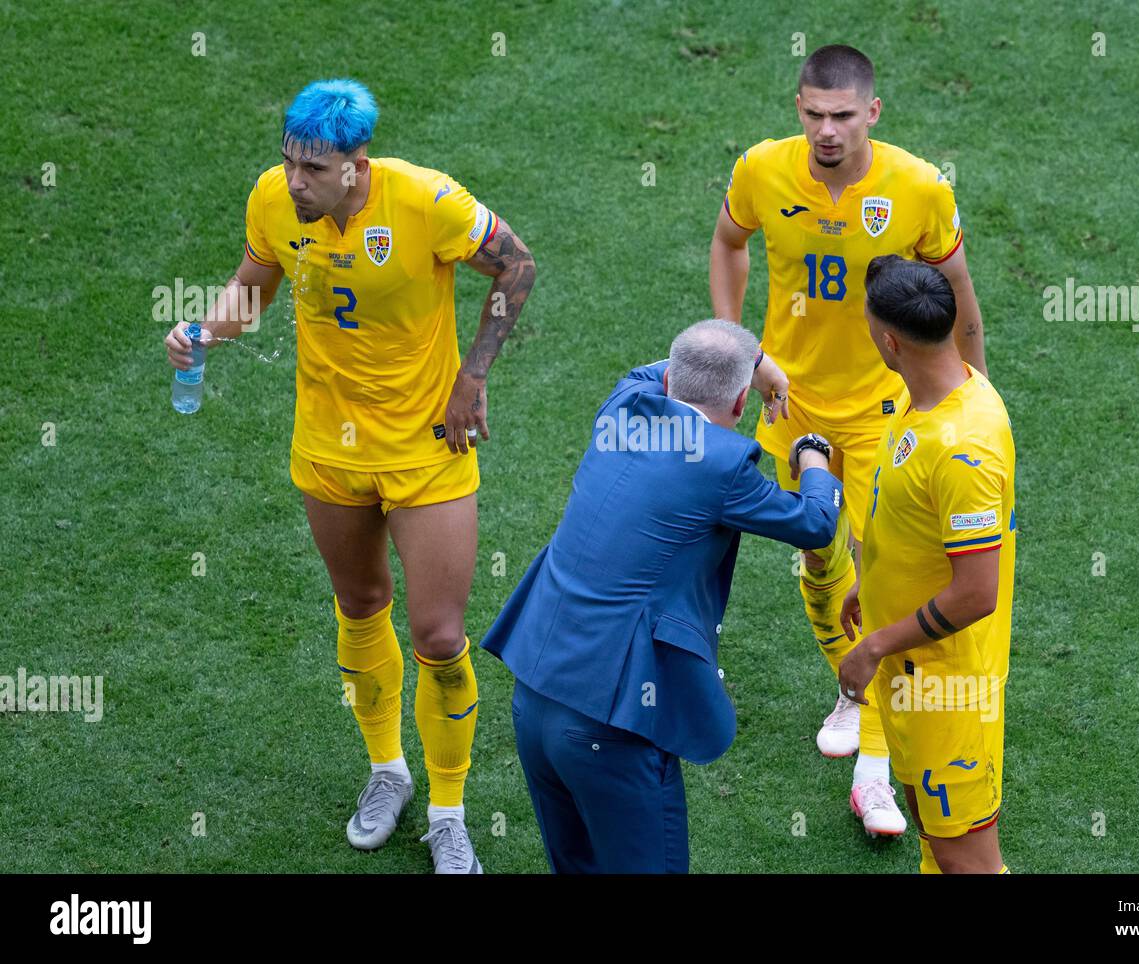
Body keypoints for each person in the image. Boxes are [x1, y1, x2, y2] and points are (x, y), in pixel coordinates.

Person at [163, 78, 536, 873]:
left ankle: (447, 809)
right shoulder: (273, 200)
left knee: (438, 636)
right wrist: (203, 329)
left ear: (357, 168)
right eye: (289, 163)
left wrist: (472, 379)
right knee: (360, 603)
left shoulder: (430, 203)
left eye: (313, 170)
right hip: (328, 450)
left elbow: (518, 269)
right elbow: (251, 293)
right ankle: (386, 771)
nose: (294, 182)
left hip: (426, 447)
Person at [709, 43, 987, 838]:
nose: (825, 131)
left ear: (872, 112)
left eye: (841, 116)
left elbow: (956, 287)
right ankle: (851, 679)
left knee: (886, 574)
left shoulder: (918, 186)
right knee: (818, 556)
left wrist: (977, 393)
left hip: (881, 411)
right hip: (790, 403)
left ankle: (875, 773)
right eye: (812, 114)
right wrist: (738, 347)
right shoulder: (762, 169)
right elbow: (730, 243)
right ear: (798, 109)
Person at [480, 320, 842, 873]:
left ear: (670, 378)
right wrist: (813, 456)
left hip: (534, 698)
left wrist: (758, 360)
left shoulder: (622, 407)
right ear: (743, 400)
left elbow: (659, 369)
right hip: (611, 723)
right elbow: (815, 523)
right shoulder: (724, 466)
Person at [838, 254, 1015, 874]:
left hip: (950, 690)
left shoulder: (963, 446)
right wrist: (871, 583)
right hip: (912, 674)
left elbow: (976, 593)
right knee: (933, 842)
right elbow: (918, 528)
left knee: (968, 862)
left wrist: (874, 643)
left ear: (889, 339)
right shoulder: (926, 398)